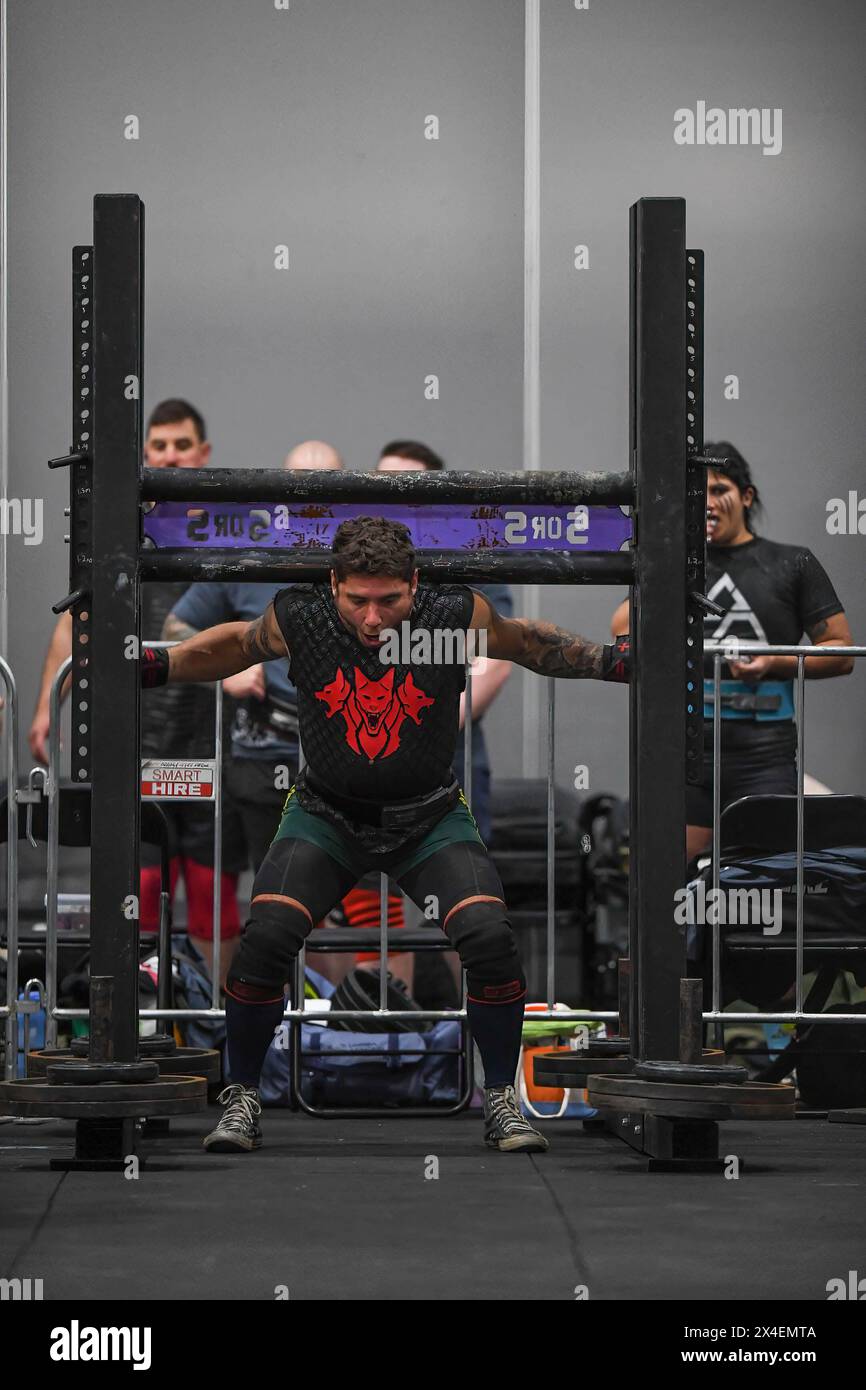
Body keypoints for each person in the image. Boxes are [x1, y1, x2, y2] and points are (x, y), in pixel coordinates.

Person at [141, 515, 630, 1153]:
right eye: (358, 601)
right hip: (327, 814)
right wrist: (157, 662)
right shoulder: (302, 616)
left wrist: (606, 660)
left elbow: (524, 641)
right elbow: (234, 645)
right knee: (265, 938)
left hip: (428, 816)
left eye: (389, 602)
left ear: (414, 583)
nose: (374, 619)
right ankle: (242, 1099)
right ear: (334, 583)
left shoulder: (452, 615)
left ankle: (503, 1100)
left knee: (488, 936)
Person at [29, 398, 243, 985]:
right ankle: (137, 1025)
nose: (170, 454)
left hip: (211, 748)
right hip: (135, 743)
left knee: (212, 904)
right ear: (145, 455)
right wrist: (55, 698)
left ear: (203, 455)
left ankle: (215, 1032)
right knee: (138, 899)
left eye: (182, 445)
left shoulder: (226, 532)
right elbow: (79, 616)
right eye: (160, 445)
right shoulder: (122, 530)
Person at [610, 442, 853, 863]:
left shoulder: (793, 564)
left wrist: (774, 663)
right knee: (669, 880)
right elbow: (621, 630)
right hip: (687, 752)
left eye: (719, 489)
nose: (707, 502)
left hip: (766, 755)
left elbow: (842, 652)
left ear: (746, 496)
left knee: (767, 879)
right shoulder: (676, 566)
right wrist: (668, 567)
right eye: (696, 492)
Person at [163, 439, 346, 877]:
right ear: (280, 493)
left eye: (326, 489)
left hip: (354, 750)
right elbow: (176, 627)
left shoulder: (364, 561)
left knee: (364, 906)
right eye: (301, 489)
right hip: (268, 758)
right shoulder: (252, 557)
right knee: (283, 895)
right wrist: (227, 674)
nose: (312, 502)